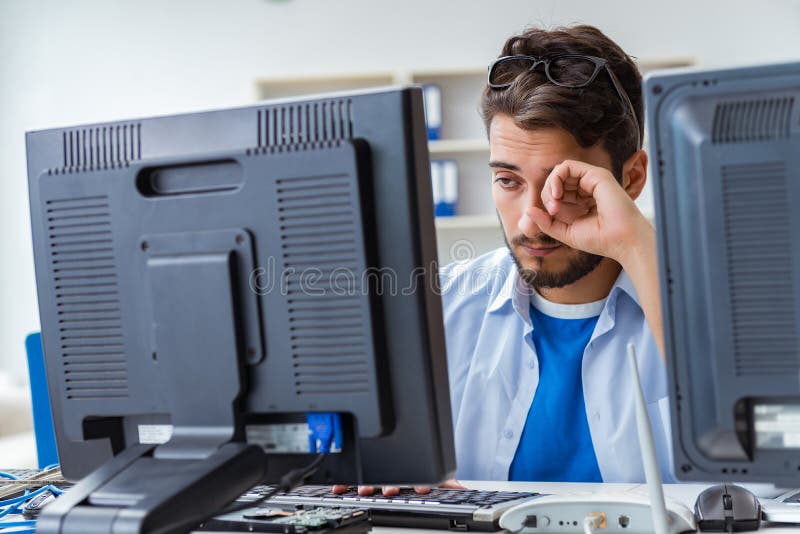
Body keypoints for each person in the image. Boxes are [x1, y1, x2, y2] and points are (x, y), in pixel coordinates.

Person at [338, 24, 671, 495]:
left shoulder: (712, 308)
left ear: (632, 177)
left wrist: (636, 244)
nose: (532, 222)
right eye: (509, 181)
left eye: (566, 183)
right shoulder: (436, 310)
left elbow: (758, 456)